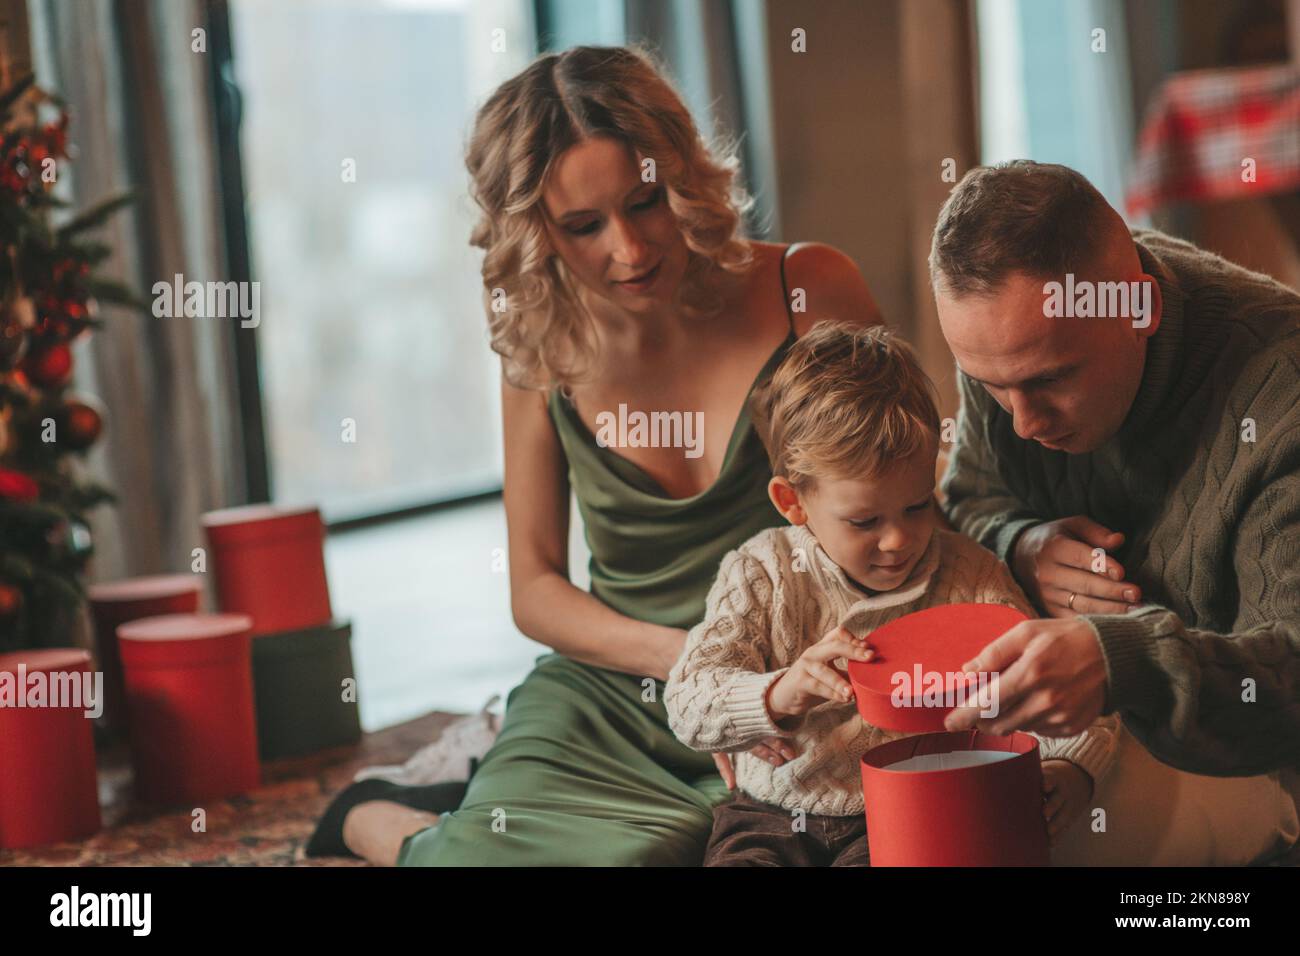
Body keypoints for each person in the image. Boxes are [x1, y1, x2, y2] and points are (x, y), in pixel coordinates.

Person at [307, 45, 882, 865]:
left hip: (794, 688)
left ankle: (473, 777)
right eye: (584, 226)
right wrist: (695, 664)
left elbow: (912, 479)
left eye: (646, 202)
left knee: (676, 851)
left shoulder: (806, 291)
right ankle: (375, 815)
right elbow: (536, 590)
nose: (631, 249)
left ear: (681, 178)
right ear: (535, 231)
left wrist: (1024, 545)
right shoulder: (541, 347)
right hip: (625, 689)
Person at [664, 321, 1117, 865]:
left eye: (917, 505)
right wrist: (778, 693)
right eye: (864, 521)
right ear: (793, 502)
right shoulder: (761, 572)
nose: (899, 539)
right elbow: (688, 702)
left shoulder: (968, 575)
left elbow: (1054, 679)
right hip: (770, 811)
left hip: (909, 809)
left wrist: (1071, 765)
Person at [933, 161, 1300, 777]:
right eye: (988, 385)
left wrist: (1121, 664)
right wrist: (1020, 543)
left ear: (1140, 311)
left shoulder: (1281, 397)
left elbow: (1290, 671)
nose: (1022, 423)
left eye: (1050, 379)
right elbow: (968, 498)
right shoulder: (1011, 345)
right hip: (1085, 744)